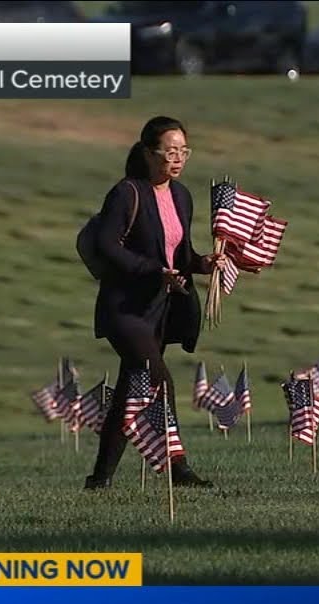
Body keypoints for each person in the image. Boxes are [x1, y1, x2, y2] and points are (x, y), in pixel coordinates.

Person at [84, 115, 221, 491]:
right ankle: (178, 468)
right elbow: (107, 246)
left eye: (183, 151)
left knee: (130, 390)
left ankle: (99, 479)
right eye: (169, 152)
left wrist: (203, 263)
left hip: (158, 310)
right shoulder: (126, 193)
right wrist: (153, 270)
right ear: (148, 153)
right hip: (124, 310)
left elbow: (181, 253)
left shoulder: (181, 195)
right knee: (159, 380)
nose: (177, 159)